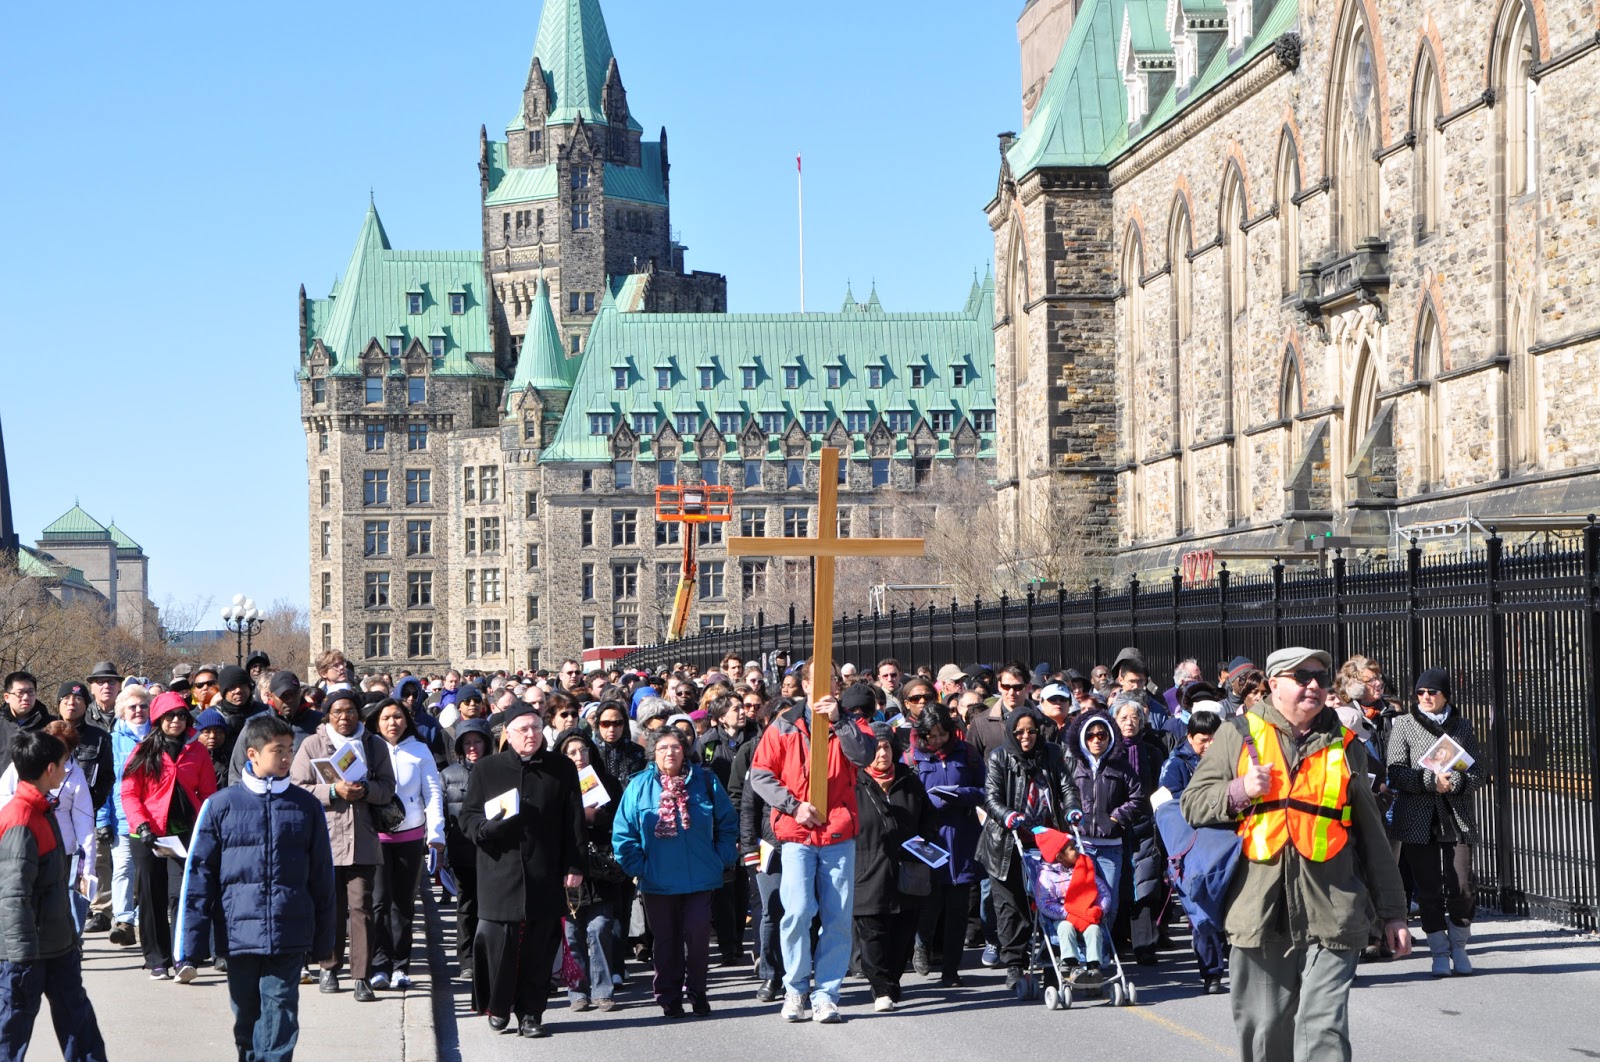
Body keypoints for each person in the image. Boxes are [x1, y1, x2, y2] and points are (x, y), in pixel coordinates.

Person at [1182, 647, 1409, 1062]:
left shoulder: (1345, 743)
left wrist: (1393, 913)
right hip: (1258, 908)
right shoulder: (1238, 734)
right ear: (1272, 685)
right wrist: (1240, 790)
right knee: (1266, 1029)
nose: (1313, 685)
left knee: (1322, 1026)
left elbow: (1372, 832)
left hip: (1333, 905)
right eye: (1301, 676)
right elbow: (1193, 803)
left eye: (1320, 678)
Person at [178, 714, 335, 1062]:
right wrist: (190, 946)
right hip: (238, 933)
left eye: (290, 750)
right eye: (278, 750)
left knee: (280, 1015)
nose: (286, 758)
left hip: (289, 929)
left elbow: (322, 877)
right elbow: (199, 878)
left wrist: (325, 941)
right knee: (247, 1018)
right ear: (252, 754)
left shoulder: (305, 806)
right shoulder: (220, 806)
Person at [747, 657, 876, 1024]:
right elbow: (761, 774)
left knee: (836, 918)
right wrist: (792, 807)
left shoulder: (852, 721)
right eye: (817, 680)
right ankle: (795, 989)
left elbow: (864, 755)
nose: (825, 686)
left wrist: (840, 721)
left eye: (832, 680)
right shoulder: (784, 724)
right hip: (798, 835)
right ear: (804, 685)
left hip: (837, 833)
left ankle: (827, 994)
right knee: (799, 912)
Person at [457, 705, 587, 1038]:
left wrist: (574, 866)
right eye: (523, 729)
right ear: (508, 734)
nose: (531, 734)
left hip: (544, 872)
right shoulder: (487, 769)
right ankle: (497, 1006)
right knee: (498, 943)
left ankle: (531, 1013)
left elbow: (573, 823)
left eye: (536, 728)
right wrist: (487, 828)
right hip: (499, 871)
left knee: (540, 947)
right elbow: (468, 818)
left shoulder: (560, 768)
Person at [0, 730, 109, 1061]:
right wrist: (19, 957)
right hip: (27, 953)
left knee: (79, 1024)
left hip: (58, 945)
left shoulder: (42, 809)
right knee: (11, 1030)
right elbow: (13, 895)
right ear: (49, 769)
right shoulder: (20, 819)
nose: (67, 768)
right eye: (63, 762)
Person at [613, 726, 737, 1017]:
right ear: (653, 754)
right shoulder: (639, 786)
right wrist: (639, 867)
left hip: (701, 877)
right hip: (657, 879)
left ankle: (698, 990)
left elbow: (727, 824)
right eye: (663, 748)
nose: (670, 753)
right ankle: (668, 995)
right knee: (666, 941)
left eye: (676, 747)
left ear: (686, 751)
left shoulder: (706, 781)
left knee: (697, 936)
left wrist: (720, 859)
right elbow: (624, 833)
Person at [288, 687, 397, 1002]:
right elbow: (296, 786)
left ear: (359, 714)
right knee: (329, 907)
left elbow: (388, 788)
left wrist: (364, 791)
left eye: (350, 710)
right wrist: (333, 791)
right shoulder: (312, 744)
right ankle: (328, 966)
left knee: (361, 907)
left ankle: (361, 975)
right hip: (325, 839)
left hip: (362, 838)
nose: (344, 717)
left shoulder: (373, 745)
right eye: (338, 711)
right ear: (328, 715)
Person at [1387, 668, 1483, 977]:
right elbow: (1396, 771)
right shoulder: (1402, 724)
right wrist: (1430, 780)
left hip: (1456, 817)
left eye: (1432, 692)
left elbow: (1478, 773)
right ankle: (1439, 951)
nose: (1426, 697)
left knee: (1464, 886)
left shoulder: (1462, 726)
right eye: (1420, 693)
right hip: (1417, 817)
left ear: (1445, 695)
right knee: (1428, 890)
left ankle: (1459, 946)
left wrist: (1453, 781)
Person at [977, 705, 1080, 991]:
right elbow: (991, 797)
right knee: (1012, 908)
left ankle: (1051, 960)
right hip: (1006, 842)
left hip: (1046, 840)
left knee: (1050, 902)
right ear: (1011, 732)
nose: (1026, 737)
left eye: (1031, 731)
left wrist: (1072, 809)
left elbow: (1067, 787)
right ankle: (1014, 965)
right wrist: (1006, 814)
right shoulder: (1000, 757)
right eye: (1019, 731)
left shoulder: (1052, 754)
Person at [121, 691, 218, 980]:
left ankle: (182, 956)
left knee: (181, 895)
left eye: (181, 715)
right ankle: (156, 958)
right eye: (170, 716)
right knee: (152, 896)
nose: (176, 720)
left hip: (183, 833)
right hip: (147, 834)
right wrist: (141, 826)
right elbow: (129, 793)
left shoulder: (197, 751)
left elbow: (208, 793)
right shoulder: (143, 751)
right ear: (158, 719)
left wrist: (204, 826)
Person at [365, 699, 444, 991]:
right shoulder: (368, 748)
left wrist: (436, 834)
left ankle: (400, 966)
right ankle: (379, 964)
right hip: (376, 838)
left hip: (410, 837)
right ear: (376, 721)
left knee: (403, 904)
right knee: (378, 903)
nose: (392, 723)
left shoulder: (419, 750)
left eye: (398, 717)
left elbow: (433, 793)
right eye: (385, 717)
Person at [852, 723, 930, 1011]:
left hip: (907, 870)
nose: (881, 753)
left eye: (885, 746)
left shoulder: (909, 780)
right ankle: (880, 988)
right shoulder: (854, 781)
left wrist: (925, 847)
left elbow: (927, 821)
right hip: (867, 868)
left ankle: (893, 981)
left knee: (903, 933)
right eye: (875, 747)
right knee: (872, 932)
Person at [908, 705, 984, 987]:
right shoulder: (912, 758)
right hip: (929, 841)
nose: (937, 740)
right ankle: (922, 944)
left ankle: (951, 970)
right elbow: (906, 798)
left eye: (943, 734)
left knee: (958, 910)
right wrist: (928, 803)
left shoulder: (967, 753)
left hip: (962, 838)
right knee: (929, 905)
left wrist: (960, 795)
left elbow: (984, 790)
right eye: (932, 735)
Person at [0, 721, 97, 934]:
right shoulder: (23, 765)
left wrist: (87, 854)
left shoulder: (74, 773)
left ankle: (73, 940)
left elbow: (83, 817)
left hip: (64, 846)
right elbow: (4, 797)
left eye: (63, 748)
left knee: (69, 896)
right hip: (26, 839)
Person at [1156, 709, 1228, 992]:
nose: (1209, 745)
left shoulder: (1228, 760)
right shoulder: (1174, 765)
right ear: (1189, 737)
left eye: (1214, 739)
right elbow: (1167, 810)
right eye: (1203, 740)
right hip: (1191, 849)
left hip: (1223, 846)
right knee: (1201, 914)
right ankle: (1211, 973)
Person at [554, 730, 624, 1012]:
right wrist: (580, 817)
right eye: (571, 752)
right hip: (567, 867)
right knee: (572, 933)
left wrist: (599, 817)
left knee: (599, 928)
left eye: (582, 750)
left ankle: (603, 989)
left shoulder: (606, 782)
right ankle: (577, 990)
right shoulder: (555, 784)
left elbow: (620, 818)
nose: (578, 757)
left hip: (600, 868)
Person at [1109, 699, 1163, 964]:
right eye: (1124, 718)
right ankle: (1117, 940)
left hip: (1145, 823)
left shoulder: (1152, 752)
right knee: (1117, 881)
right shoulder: (1108, 752)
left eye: (1135, 718)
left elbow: (1157, 789)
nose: (1130, 723)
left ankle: (1145, 946)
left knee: (1145, 882)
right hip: (1116, 822)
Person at [1031, 826, 1109, 986]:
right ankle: (1071, 965)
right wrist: (1067, 914)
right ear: (1059, 857)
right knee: (1065, 928)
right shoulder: (1046, 876)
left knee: (1094, 929)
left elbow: (1103, 893)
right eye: (1072, 848)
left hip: (1086, 914)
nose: (1078, 851)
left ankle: (1094, 967)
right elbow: (1044, 903)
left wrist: (1099, 909)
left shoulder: (1083, 869)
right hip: (1063, 915)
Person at [441, 719, 490, 970]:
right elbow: (441, 814)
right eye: (467, 743)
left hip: (491, 850)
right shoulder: (448, 775)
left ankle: (488, 955)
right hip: (462, 850)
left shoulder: (496, 769)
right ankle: (467, 959)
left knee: (490, 906)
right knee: (467, 906)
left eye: (477, 741)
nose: (473, 747)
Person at [0, 672, 50, 778]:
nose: (26, 697)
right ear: (7, 697)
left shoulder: (49, 725)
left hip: (39, 792)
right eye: (20, 693)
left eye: (30, 692)